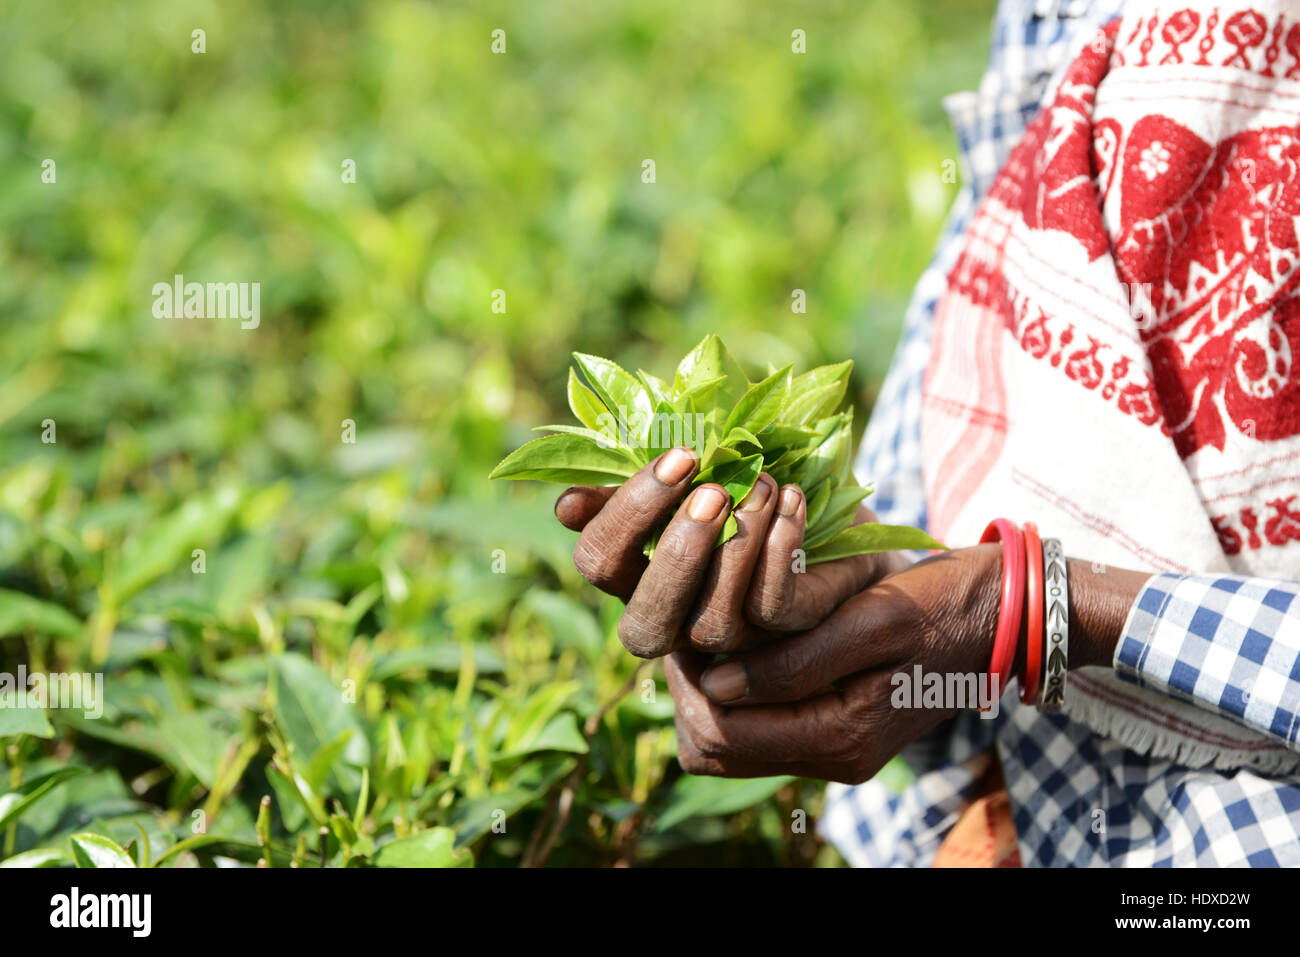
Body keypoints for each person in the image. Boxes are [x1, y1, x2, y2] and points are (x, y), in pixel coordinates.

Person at [553, 0, 1300, 866]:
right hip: (1017, 811)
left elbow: (996, 601)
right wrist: (837, 608)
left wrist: (1035, 609)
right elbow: (977, 371)